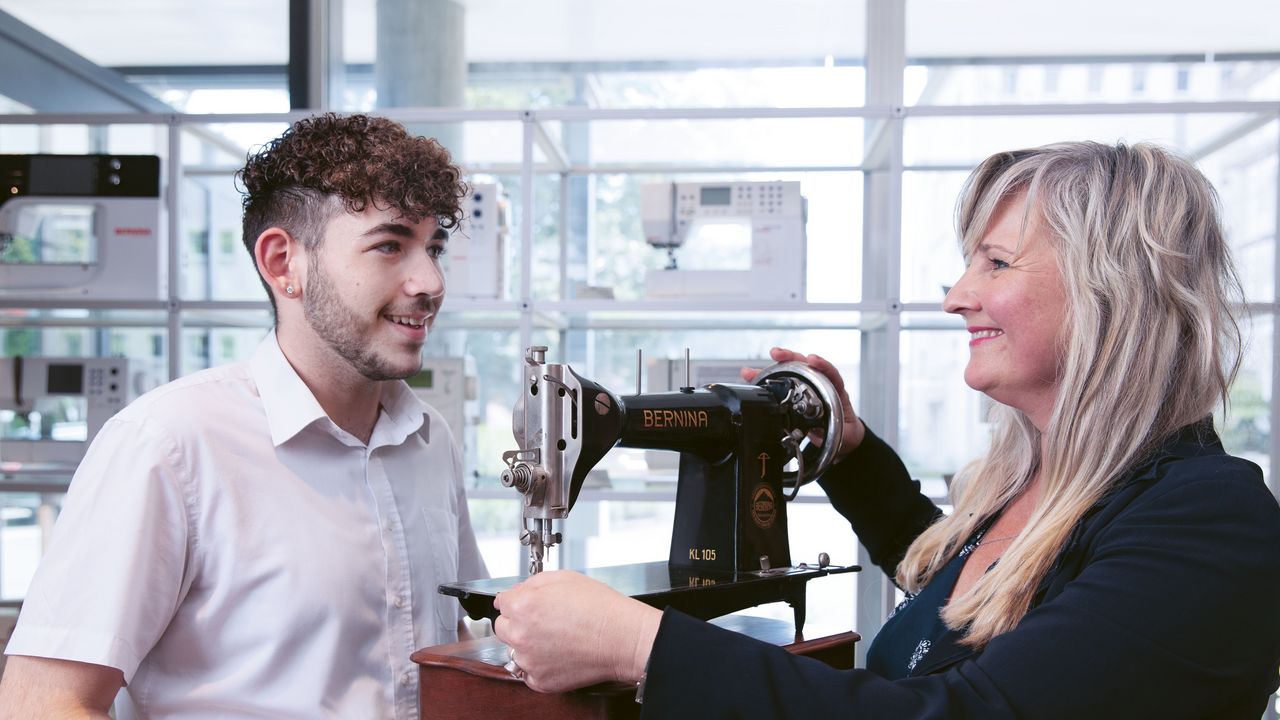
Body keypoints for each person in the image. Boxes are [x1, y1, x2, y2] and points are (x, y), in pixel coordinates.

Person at [491, 141, 1280, 718]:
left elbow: (969, 714)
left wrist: (642, 645)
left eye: (997, 265)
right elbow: (957, 594)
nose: (956, 297)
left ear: (1111, 293)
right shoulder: (1043, 490)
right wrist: (850, 453)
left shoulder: (1209, 521)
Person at [0, 113, 488, 719]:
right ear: (284, 262)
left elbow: (449, 646)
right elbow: (43, 703)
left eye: (433, 247)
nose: (431, 281)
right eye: (389, 245)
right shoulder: (168, 444)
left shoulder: (427, 439)